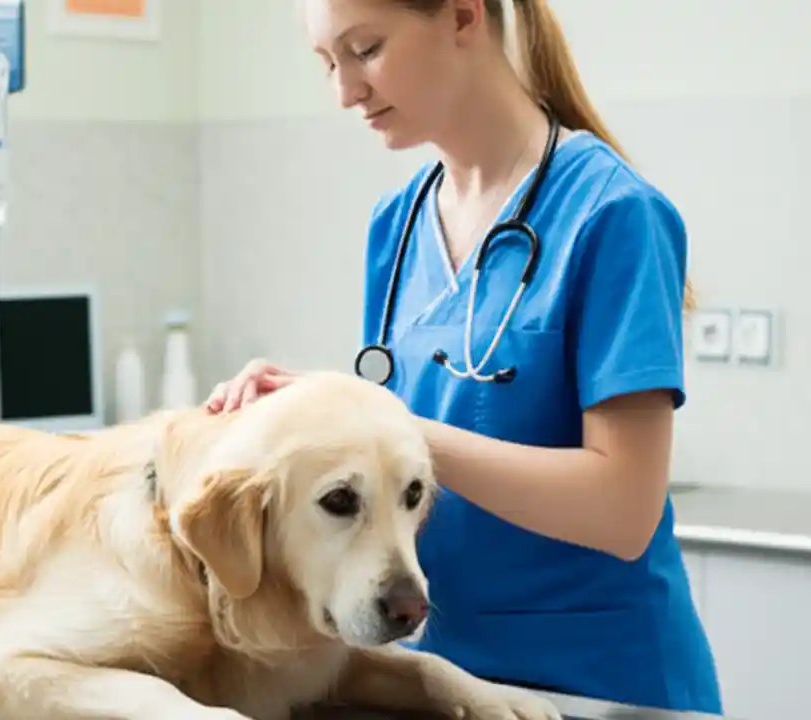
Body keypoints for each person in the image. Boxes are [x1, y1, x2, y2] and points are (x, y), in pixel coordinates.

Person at [204, 0, 722, 714]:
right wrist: (301, 422)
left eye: (366, 49)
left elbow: (623, 509)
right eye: (328, 63)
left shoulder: (612, 213)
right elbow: (394, 476)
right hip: (442, 674)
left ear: (461, 16)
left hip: (599, 683)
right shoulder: (398, 223)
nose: (346, 91)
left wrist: (388, 428)